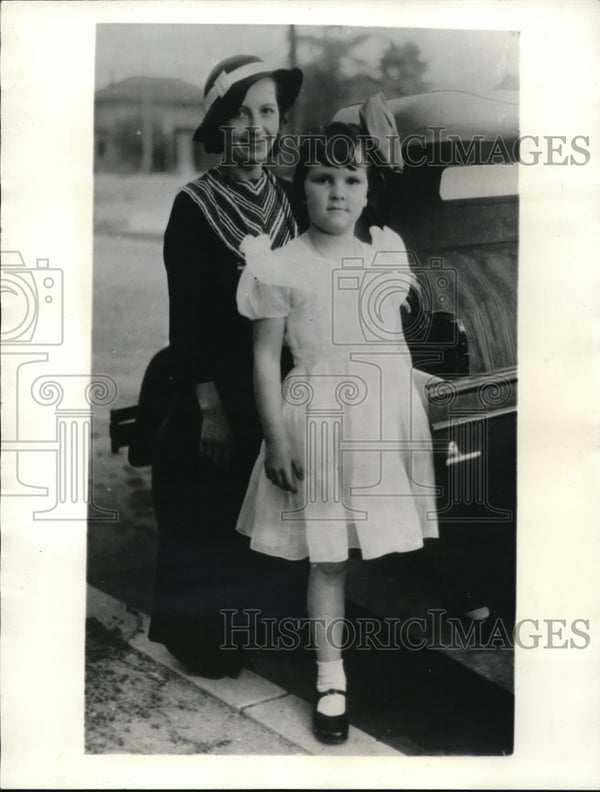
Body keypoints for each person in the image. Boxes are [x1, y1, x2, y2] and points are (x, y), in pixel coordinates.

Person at [235, 122, 439, 743]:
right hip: (317, 424)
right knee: (329, 559)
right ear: (302, 186)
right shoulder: (279, 265)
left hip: (381, 421)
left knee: (390, 536)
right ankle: (331, 679)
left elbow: (388, 341)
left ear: (368, 187)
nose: (338, 193)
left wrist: (412, 394)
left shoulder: (384, 253)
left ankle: (466, 609)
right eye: (323, 178)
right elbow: (267, 358)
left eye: (352, 179)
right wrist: (276, 438)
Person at [148, 55, 304, 678]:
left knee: (268, 511)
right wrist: (208, 408)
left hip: (278, 384)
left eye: (267, 112)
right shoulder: (194, 206)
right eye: (240, 114)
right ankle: (201, 637)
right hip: (214, 389)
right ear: (219, 126)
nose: (256, 127)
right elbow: (186, 321)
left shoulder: (293, 201)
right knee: (208, 509)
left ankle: (258, 627)